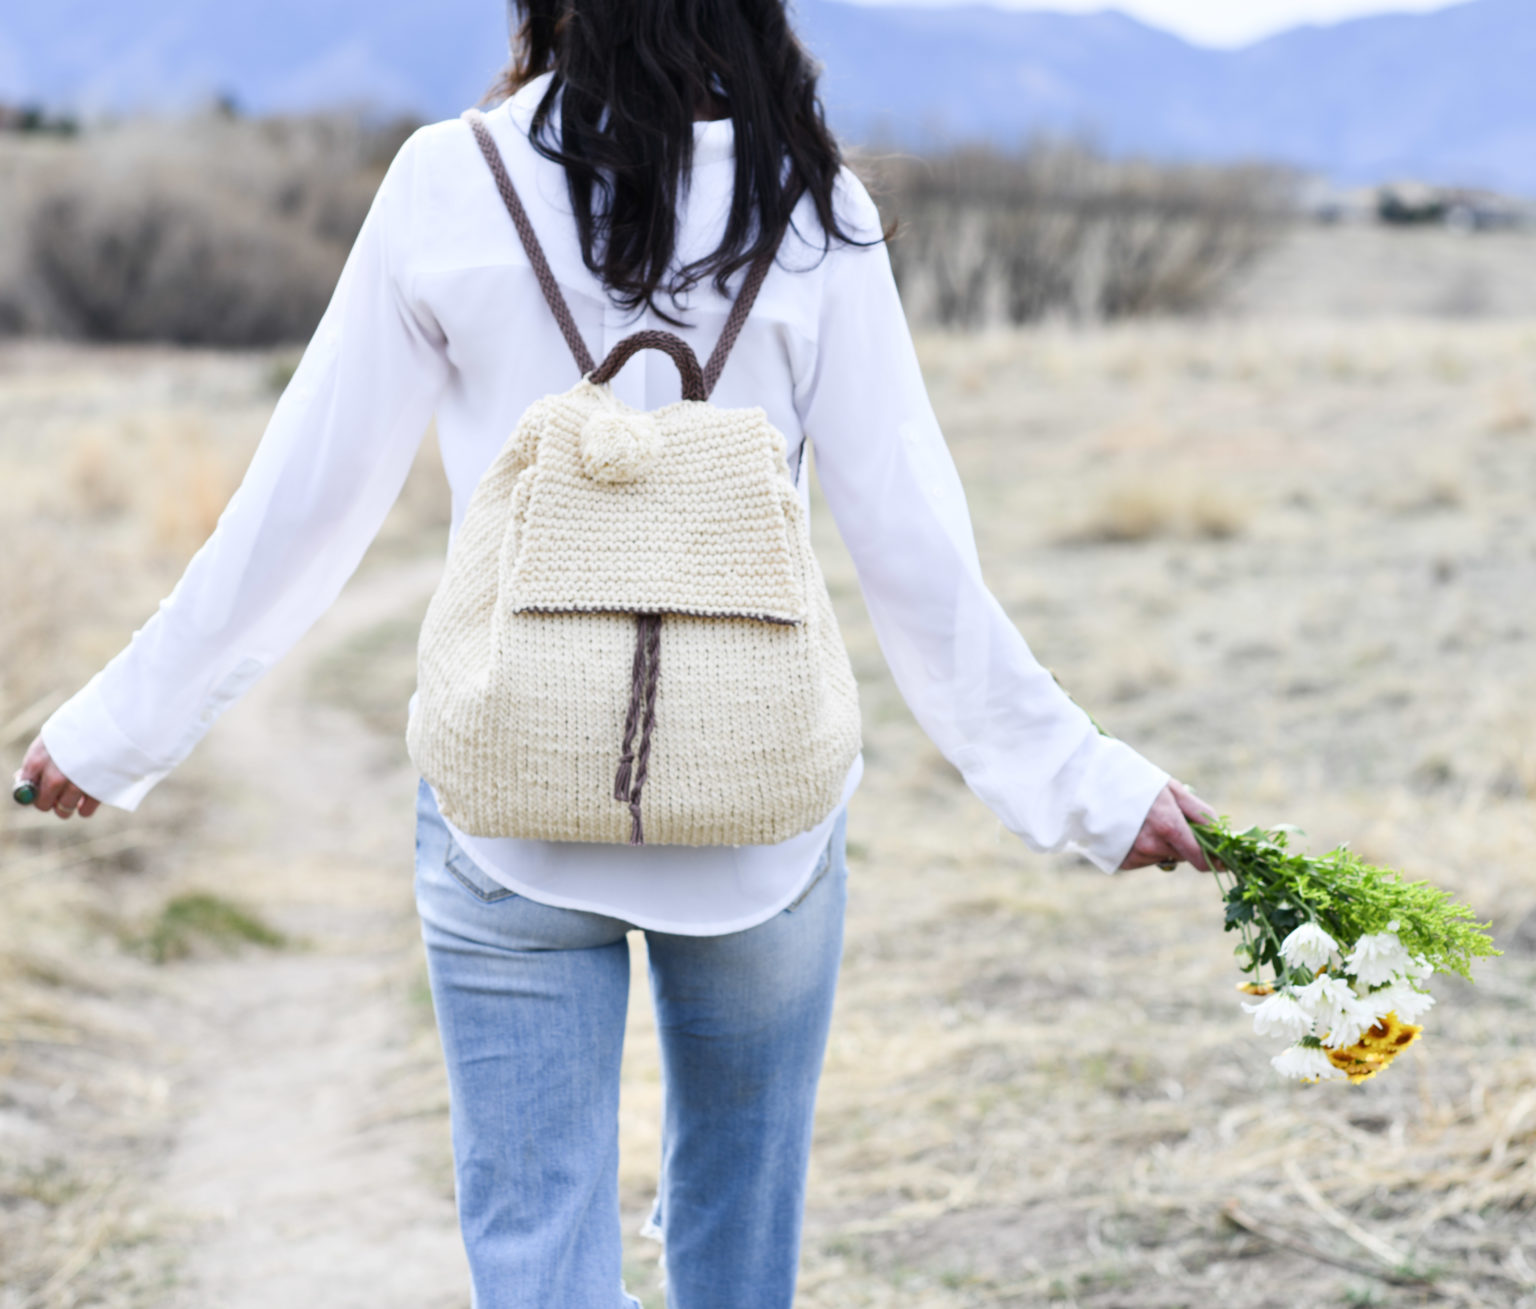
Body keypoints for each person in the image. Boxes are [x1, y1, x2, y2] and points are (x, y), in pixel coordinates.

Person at [12, 1, 1214, 1305]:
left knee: (539, 1251)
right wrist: (1084, 784)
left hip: (509, 794)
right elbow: (917, 550)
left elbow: (304, 502)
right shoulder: (812, 211)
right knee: (739, 1245)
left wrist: (120, 728)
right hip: (757, 809)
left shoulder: (450, 181)